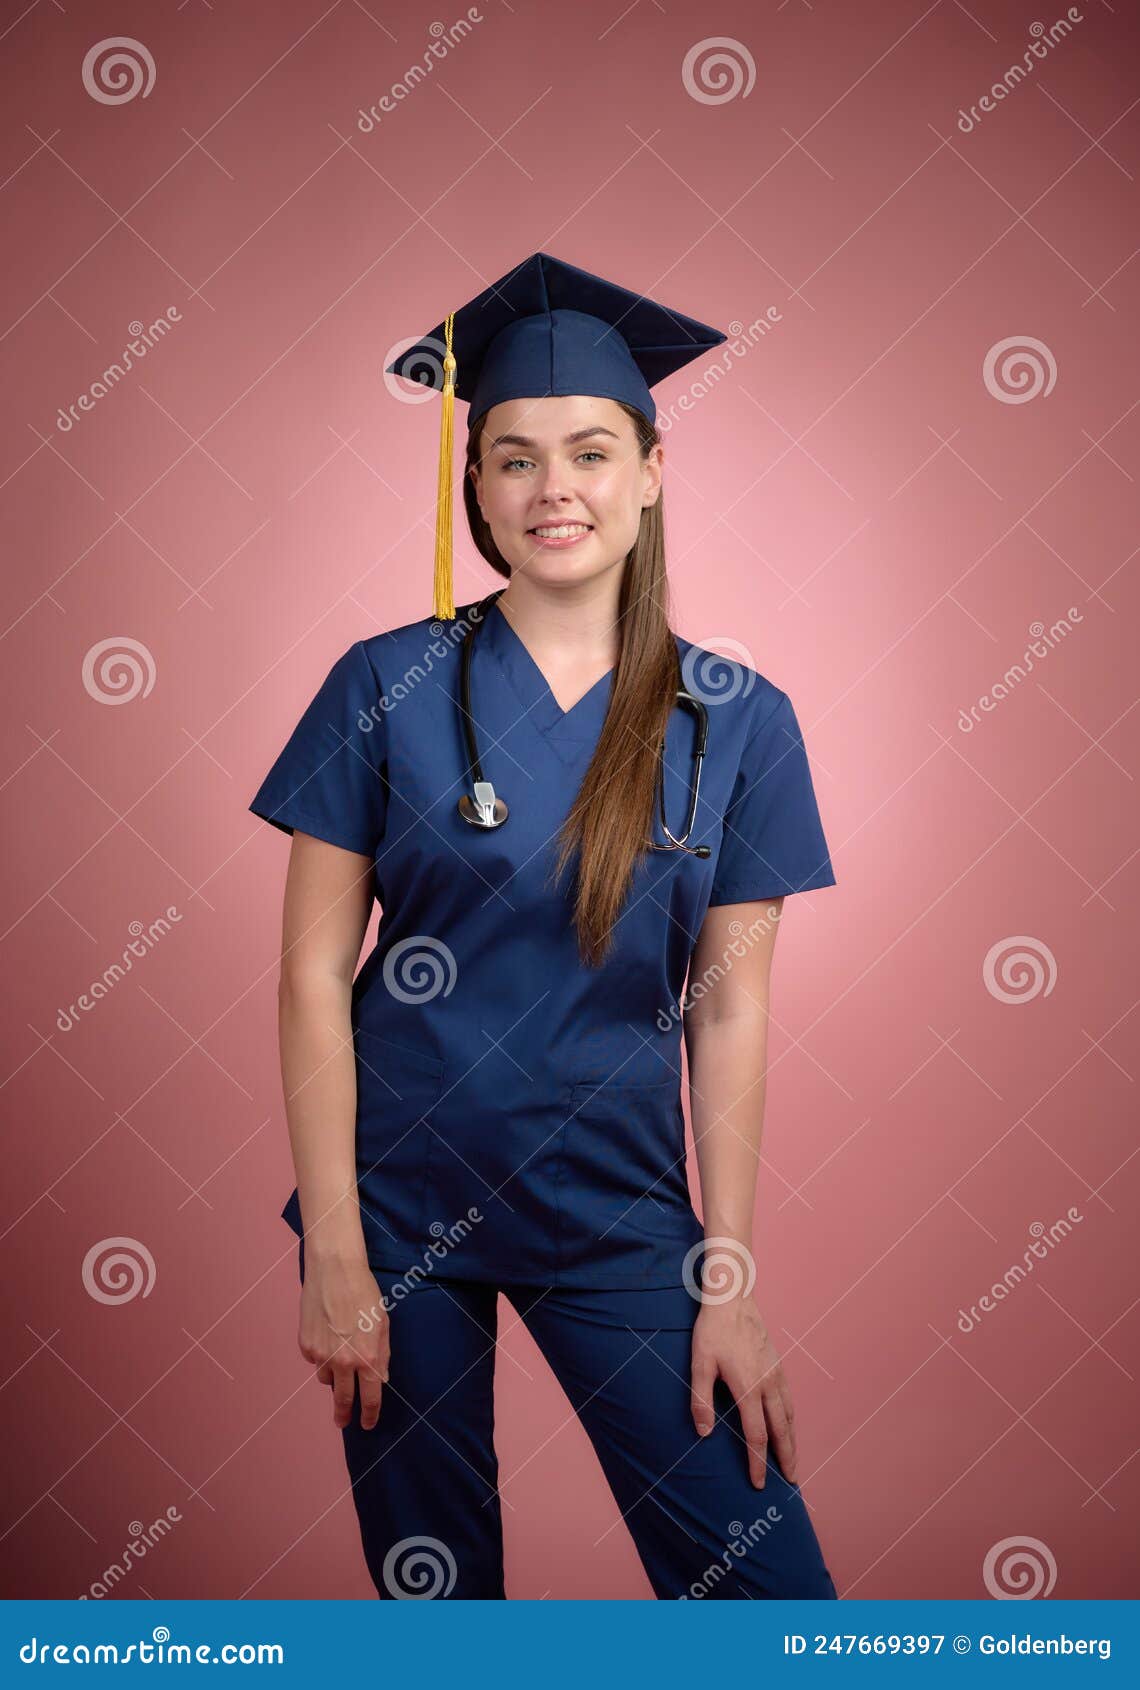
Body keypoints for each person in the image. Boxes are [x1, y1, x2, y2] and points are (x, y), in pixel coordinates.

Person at [249, 251, 840, 1600]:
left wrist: (729, 1276)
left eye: (589, 453)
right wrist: (334, 1245)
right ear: (476, 486)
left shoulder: (739, 719)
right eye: (513, 459)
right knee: (440, 1607)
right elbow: (309, 975)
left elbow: (731, 1010)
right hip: (398, 1206)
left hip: (618, 1208)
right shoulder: (384, 683)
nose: (552, 488)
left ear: (653, 469)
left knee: (769, 1605)